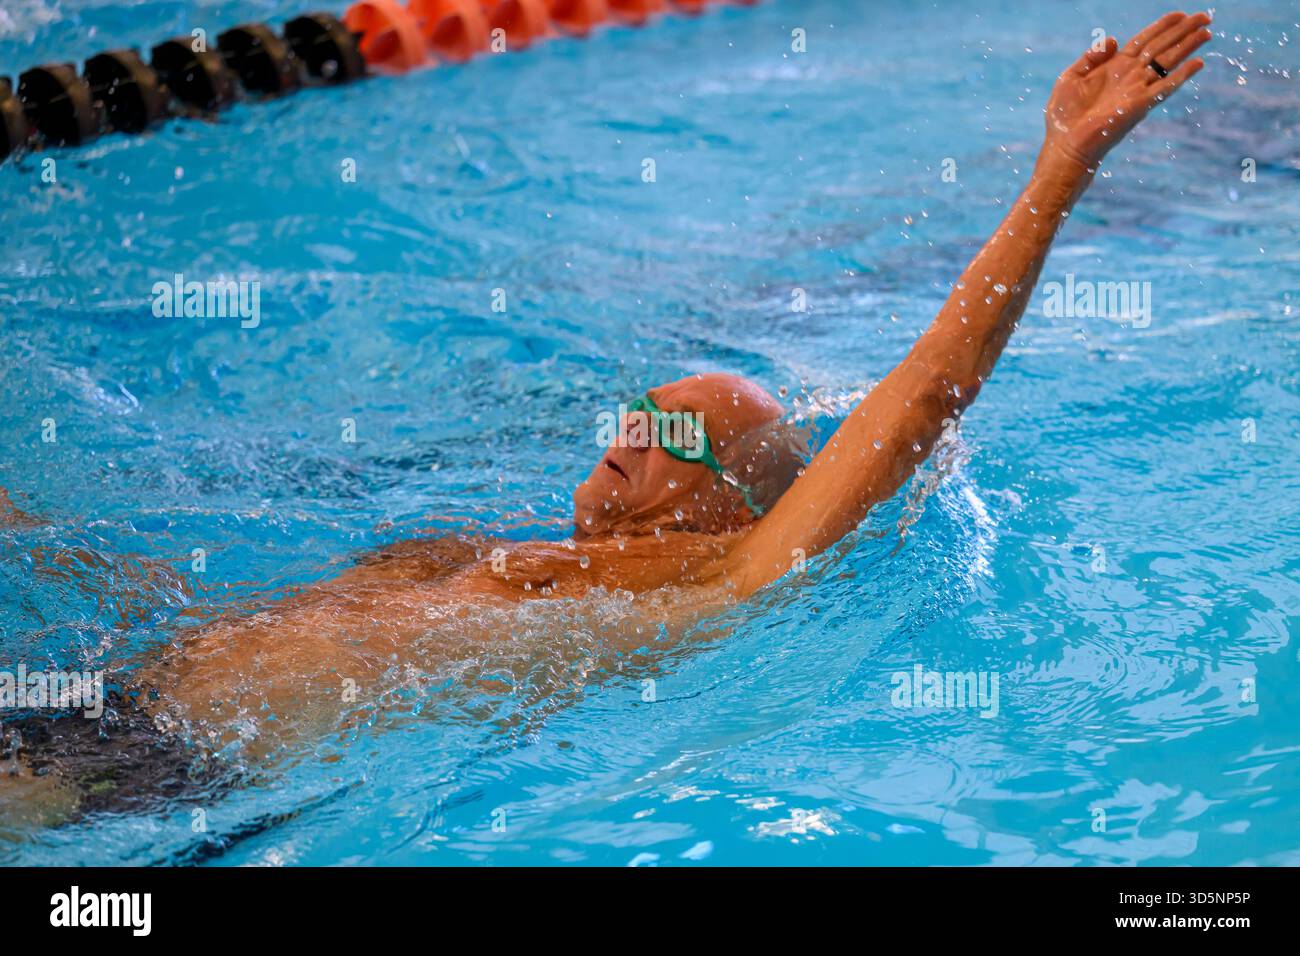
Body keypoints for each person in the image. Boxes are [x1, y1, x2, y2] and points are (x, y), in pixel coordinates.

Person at [0, 11, 1212, 823]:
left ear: (736, 492)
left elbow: (926, 392)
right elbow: (225, 618)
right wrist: (42, 540)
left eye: (667, 431)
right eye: (626, 417)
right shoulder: (479, 551)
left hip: (154, 772)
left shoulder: (730, 574)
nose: (625, 439)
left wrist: (1058, 170)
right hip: (108, 691)